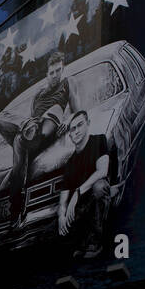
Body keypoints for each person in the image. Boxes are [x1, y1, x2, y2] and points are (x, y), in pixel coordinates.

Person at [8, 51, 78, 233]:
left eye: (58, 71)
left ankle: (16, 206)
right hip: (33, 135)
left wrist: (68, 120)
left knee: (21, 142)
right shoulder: (37, 95)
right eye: (52, 72)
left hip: (51, 128)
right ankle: (17, 206)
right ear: (46, 74)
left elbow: (79, 112)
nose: (55, 75)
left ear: (63, 70)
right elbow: (33, 120)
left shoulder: (67, 84)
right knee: (13, 134)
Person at [56, 110, 113, 259]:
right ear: (69, 134)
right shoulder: (70, 163)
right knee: (58, 229)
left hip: (97, 195)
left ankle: (95, 242)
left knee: (99, 187)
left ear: (88, 124)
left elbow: (102, 171)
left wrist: (77, 193)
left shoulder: (99, 140)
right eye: (72, 129)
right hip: (83, 204)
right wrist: (62, 215)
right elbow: (62, 201)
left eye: (79, 125)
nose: (76, 131)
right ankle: (82, 242)